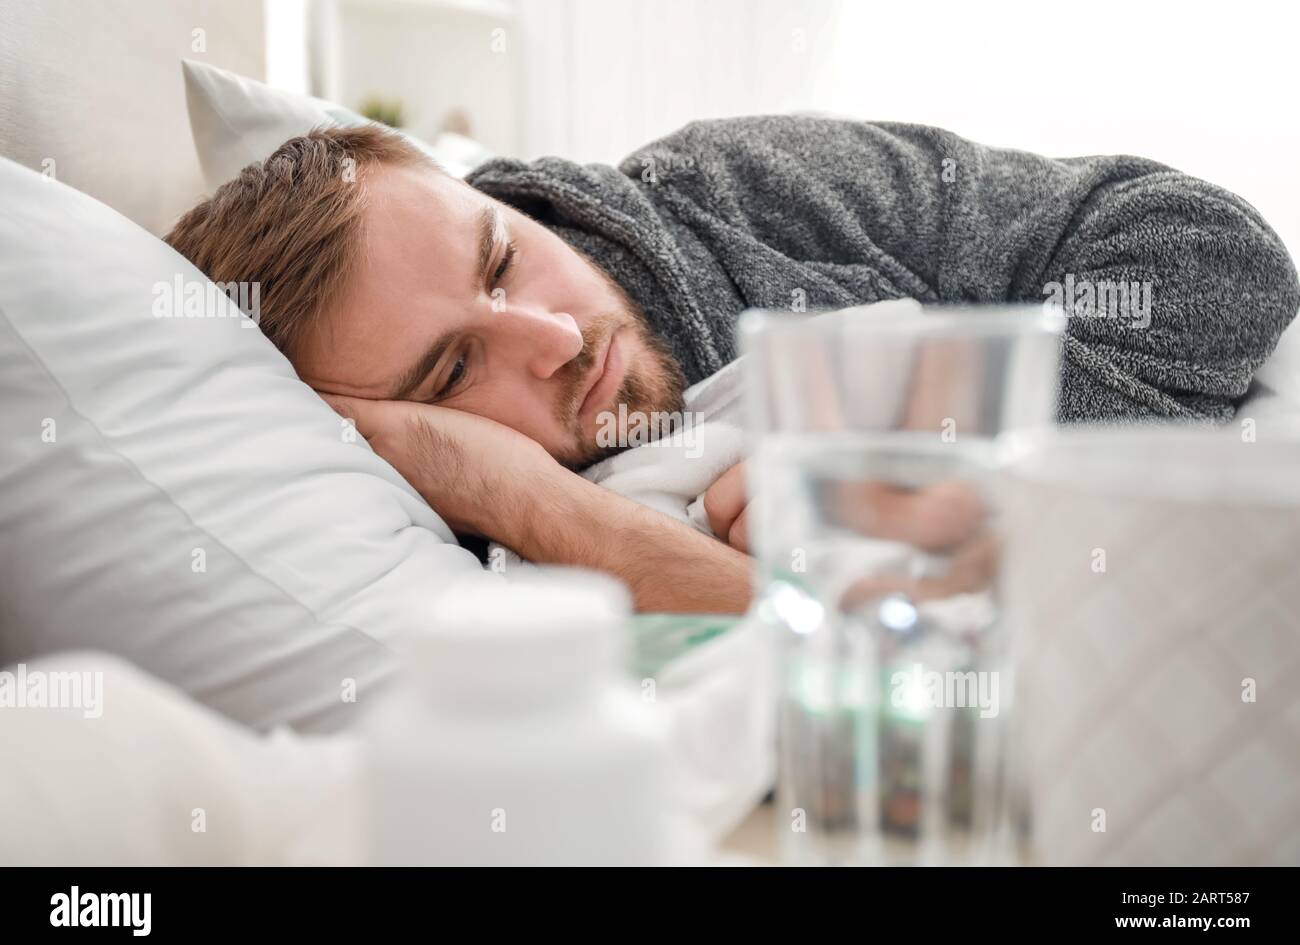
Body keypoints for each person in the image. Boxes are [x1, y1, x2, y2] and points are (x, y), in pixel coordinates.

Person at [164, 118, 1300, 612]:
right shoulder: (431, 537)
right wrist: (521, 496)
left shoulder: (738, 186)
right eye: (453, 372)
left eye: (503, 256)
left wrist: (922, 465)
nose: (554, 339)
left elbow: (1205, 251)